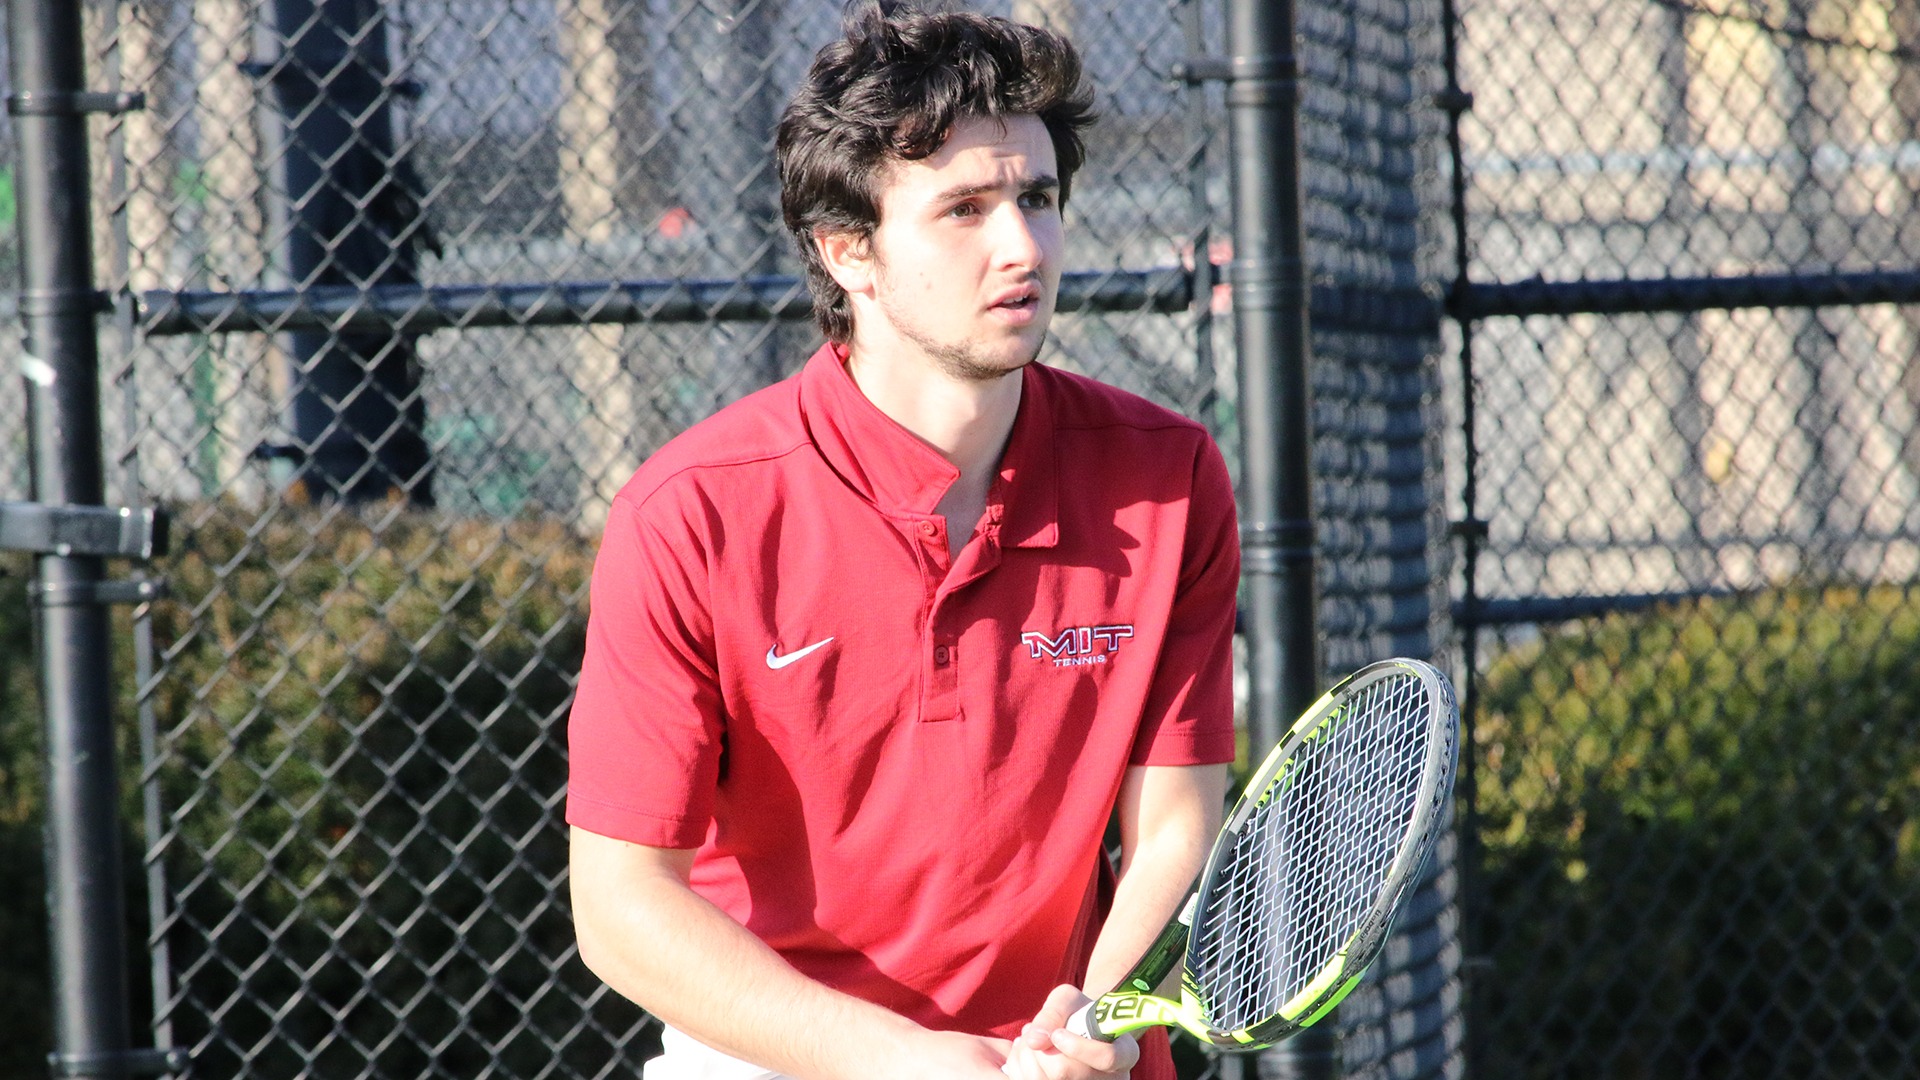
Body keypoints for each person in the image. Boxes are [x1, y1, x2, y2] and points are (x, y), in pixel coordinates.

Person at [565, 3, 1239, 1078]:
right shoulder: (688, 514)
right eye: (965, 209)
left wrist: (1099, 1021)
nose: (1021, 246)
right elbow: (620, 906)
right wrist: (908, 1061)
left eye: (1036, 199)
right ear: (850, 253)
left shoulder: (1169, 477)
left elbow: (1172, 828)